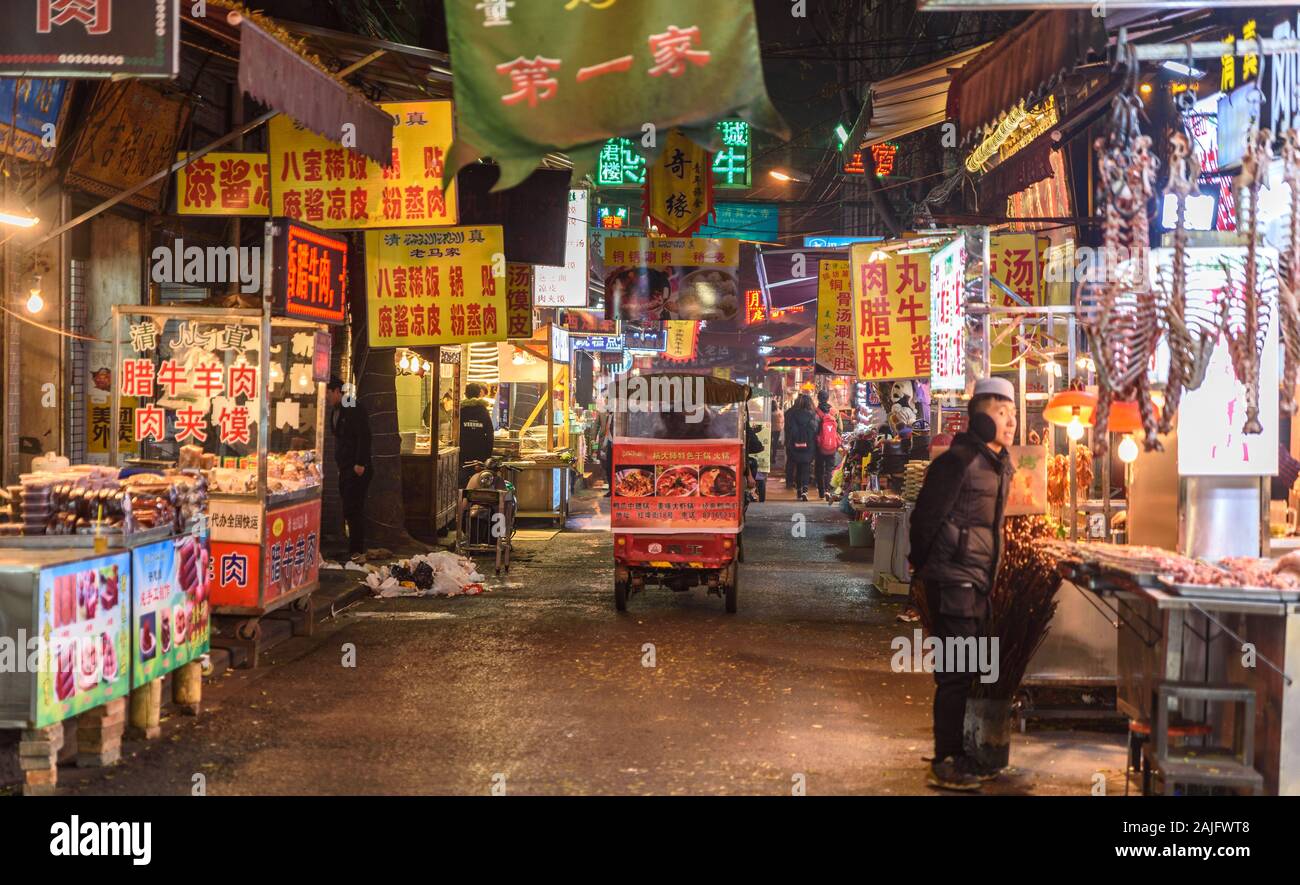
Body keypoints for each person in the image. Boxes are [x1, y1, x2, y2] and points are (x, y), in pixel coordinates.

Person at [908, 377, 1016, 792]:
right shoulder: (959, 461)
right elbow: (924, 520)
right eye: (1001, 413)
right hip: (953, 581)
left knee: (969, 668)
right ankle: (944, 760)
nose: (1010, 422)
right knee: (954, 673)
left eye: (1013, 414)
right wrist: (927, 567)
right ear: (980, 415)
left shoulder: (994, 462)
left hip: (975, 581)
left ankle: (960, 751)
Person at [327, 377, 372, 561]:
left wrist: (360, 463)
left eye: (329, 394)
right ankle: (352, 548)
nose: (327, 398)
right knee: (348, 508)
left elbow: (364, 435)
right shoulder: (336, 411)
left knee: (354, 509)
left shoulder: (352, 407)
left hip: (357, 468)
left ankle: (357, 550)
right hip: (345, 467)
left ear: (338, 391)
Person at [458, 382, 496, 487]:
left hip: (463, 454)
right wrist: (488, 454)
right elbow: (490, 433)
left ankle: (463, 501)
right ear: (479, 394)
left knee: (462, 483)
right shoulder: (483, 411)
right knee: (479, 483)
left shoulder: (461, 410)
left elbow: (455, 432)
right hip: (480, 454)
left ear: (465, 394)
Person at [784, 393, 818, 501]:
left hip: (795, 445)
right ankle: (805, 490)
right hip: (809, 445)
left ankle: (799, 490)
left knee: (798, 468)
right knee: (806, 468)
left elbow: (790, 430)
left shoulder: (793, 414)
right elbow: (815, 429)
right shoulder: (813, 415)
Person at [813, 389, 843, 501]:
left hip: (819, 445)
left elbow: (813, 429)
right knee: (829, 468)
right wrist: (836, 438)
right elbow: (840, 428)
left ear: (818, 398)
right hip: (832, 445)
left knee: (819, 468)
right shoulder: (834, 412)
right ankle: (828, 491)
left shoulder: (815, 412)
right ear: (827, 398)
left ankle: (821, 492)